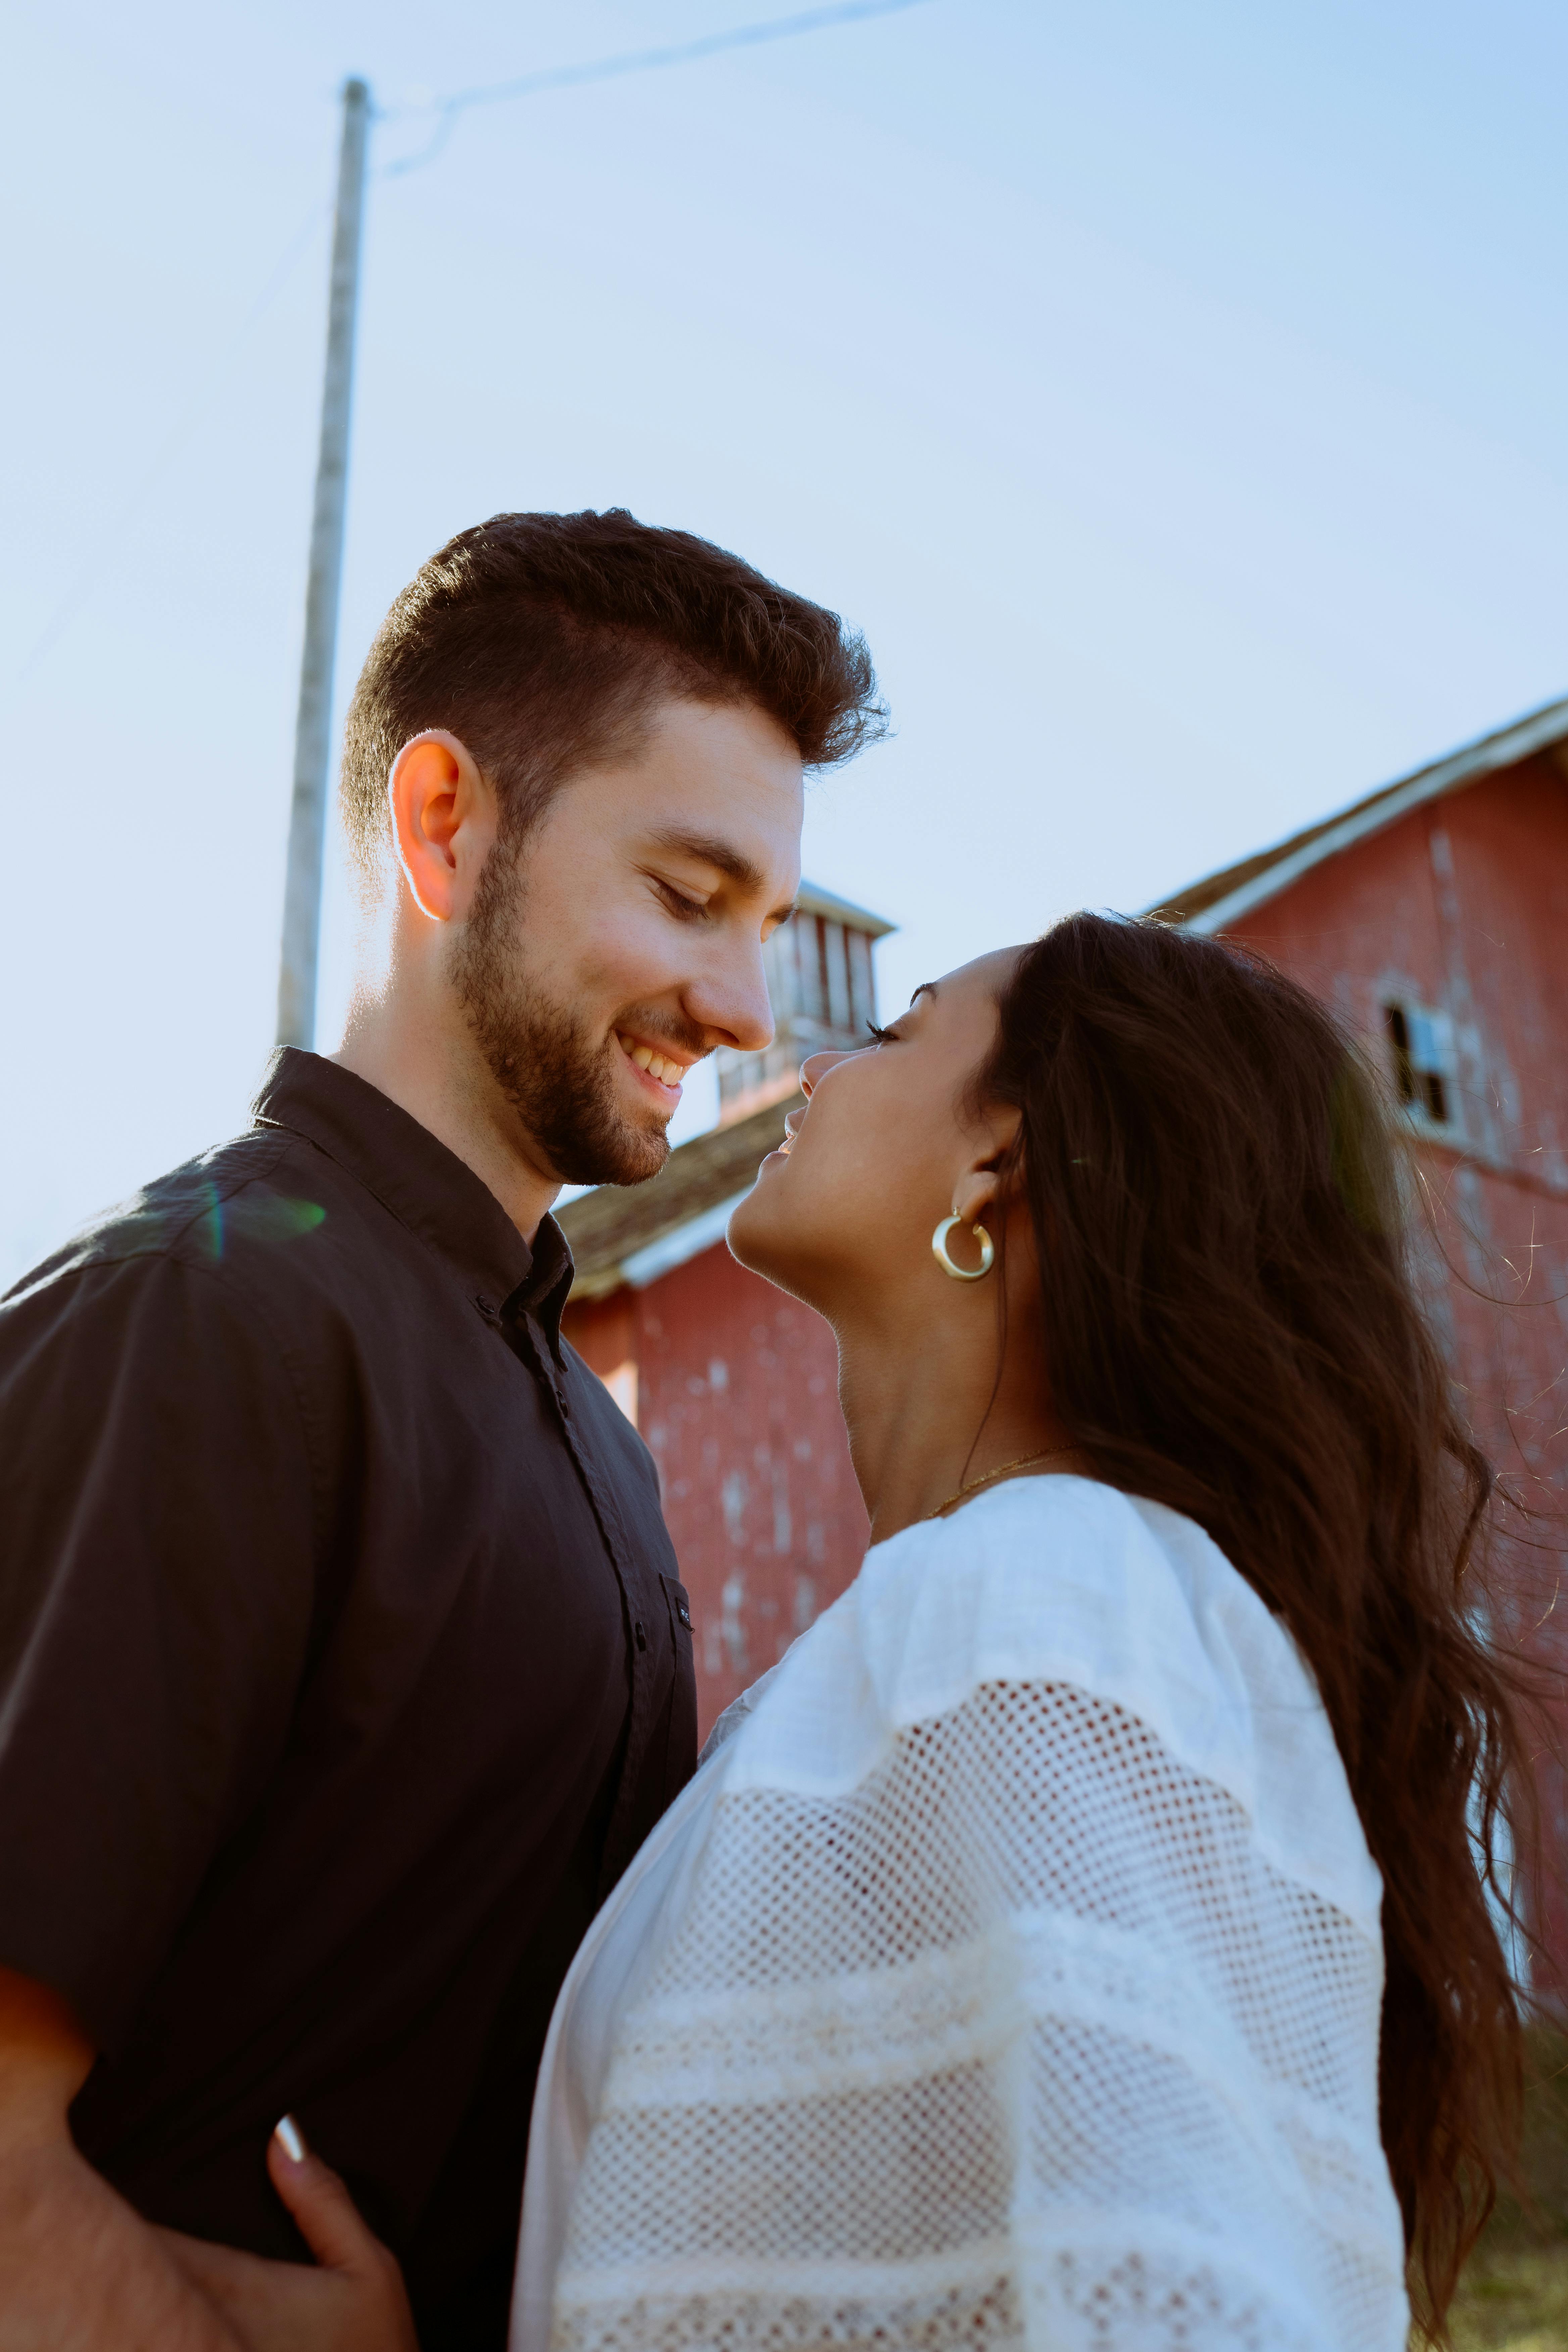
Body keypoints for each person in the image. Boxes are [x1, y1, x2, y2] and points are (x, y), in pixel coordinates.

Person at [151, 918, 1529, 2349]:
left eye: (895, 1033)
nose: (807, 1066)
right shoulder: (959, 1636)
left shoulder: (1043, 1605)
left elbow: (1171, 2314)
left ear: (995, 1165)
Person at [0, 508, 884, 2351]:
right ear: (443, 826)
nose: (741, 1005)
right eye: (687, 893)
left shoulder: (596, 1441)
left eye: (766, 925)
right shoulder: (203, 1318)